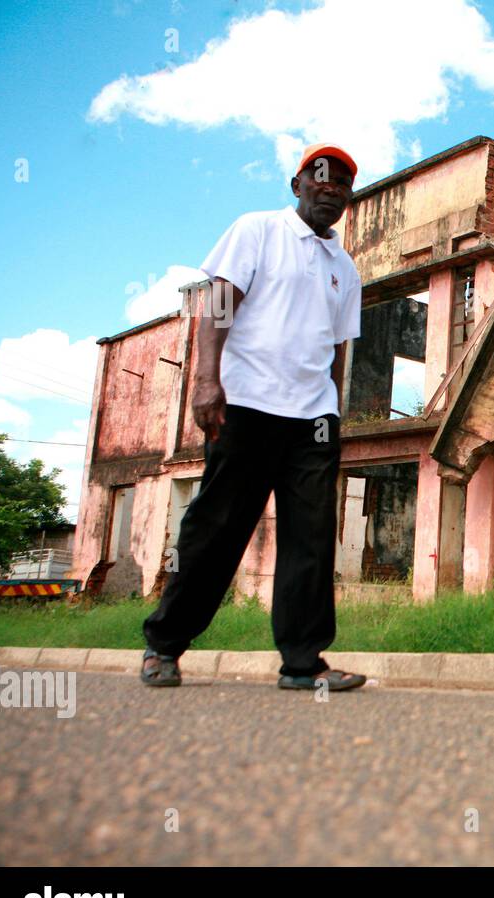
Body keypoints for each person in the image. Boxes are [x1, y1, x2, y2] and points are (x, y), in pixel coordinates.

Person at [140, 143, 366, 692]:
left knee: (309, 539)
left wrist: (332, 413)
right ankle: (164, 647)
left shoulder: (346, 269)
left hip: (312, 419)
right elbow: (219, 303)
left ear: (347, 197)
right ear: (296, 186)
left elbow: (336, 351)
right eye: (319, 176)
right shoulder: (256, 230)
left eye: (340, 181)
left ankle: (302, 663)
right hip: (244, 405)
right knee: (217, 527)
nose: (329, 186)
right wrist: (205, 379)